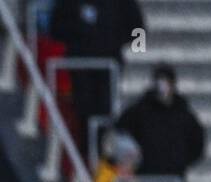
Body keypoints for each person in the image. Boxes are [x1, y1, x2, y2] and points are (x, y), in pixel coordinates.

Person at [48, 0, 144, 155]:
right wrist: (80, 37)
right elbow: (56, 28)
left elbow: (137, 27)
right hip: (80, 64)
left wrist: (112, 41)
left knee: (105, 110)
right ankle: (83, 155)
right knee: (83, 109)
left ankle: (101, 155)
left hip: (108, 64)